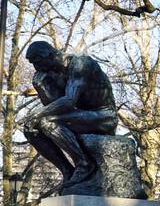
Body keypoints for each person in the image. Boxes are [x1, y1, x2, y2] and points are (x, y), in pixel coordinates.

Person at [21, 40, 120, 191]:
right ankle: (68, 171)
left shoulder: (80, 64)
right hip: (80, 116)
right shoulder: (56, 74)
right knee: (31, 129)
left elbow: (69, 100)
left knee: (46, 121)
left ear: (49, 55)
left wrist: (38, 114)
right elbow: (55, 106)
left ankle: (84, 164)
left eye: (38, 62)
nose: (37, 68)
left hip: (104, 116)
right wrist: (41, 87)